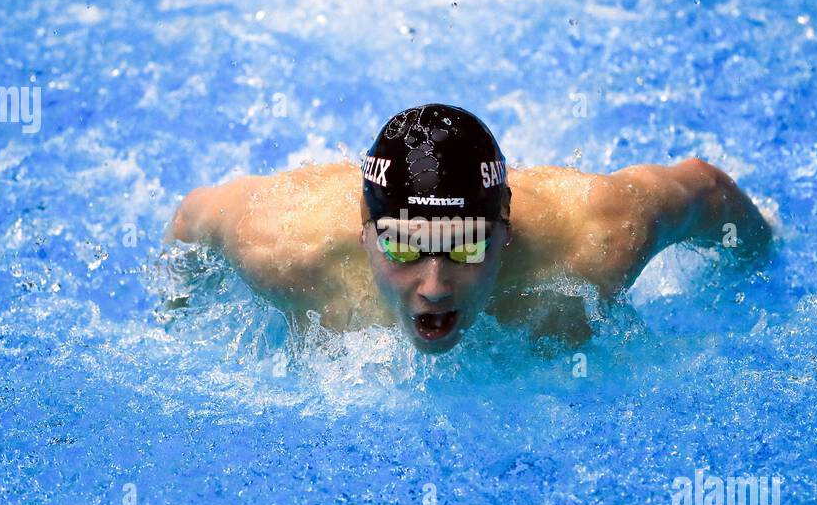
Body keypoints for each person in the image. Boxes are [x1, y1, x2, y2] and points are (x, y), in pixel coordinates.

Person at [166, 103, 772, 351]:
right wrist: (176, 316)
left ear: (504, 231)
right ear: (363, 230)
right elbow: (192, 218)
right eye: (405, 247)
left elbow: (706, 189)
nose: (434, 285)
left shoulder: (593, 238)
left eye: (464, 247)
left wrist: (761, 269)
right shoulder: (282, 242)